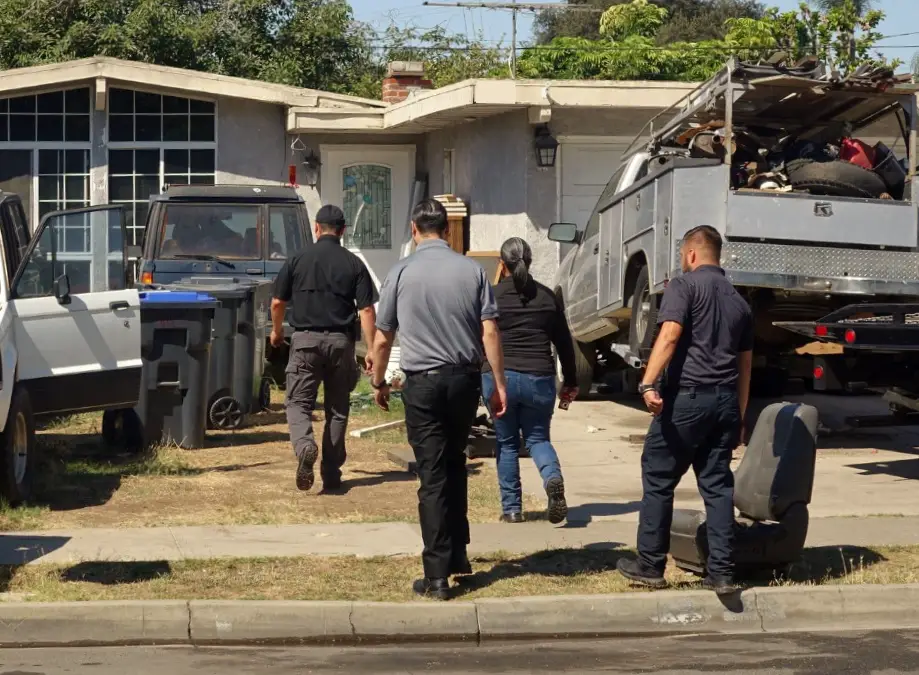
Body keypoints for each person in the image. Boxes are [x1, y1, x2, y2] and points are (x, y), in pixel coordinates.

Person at [370, 199, 508, 601]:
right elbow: (490, 331)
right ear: (447, 230)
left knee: (432, 476)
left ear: (415, 230)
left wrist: (378, 381)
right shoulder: (472, 270)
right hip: (463, 380)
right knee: (455, 464)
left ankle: (436, 575)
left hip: (423, 383)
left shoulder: (401, 272)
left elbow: (383, 336)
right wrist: (498, 383)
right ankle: (458, 554)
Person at [616, 225, 753, 596]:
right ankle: (722, 573)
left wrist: (647, 382)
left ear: (692, 253)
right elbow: (745, 366)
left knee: (659, 476)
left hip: (688, 400)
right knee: (718, 486)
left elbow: (670, 334)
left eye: (682, 255)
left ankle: (650, 564)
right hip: (725, 402)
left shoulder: (683, 286)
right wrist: (740, 416)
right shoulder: (740, 301)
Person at [271, 204, 378, 493]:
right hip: (341, 344)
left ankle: (305, 445)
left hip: (305, 341)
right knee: (337, 409)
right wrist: (371, 349)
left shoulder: (297, 259)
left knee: (297, 403)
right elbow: (367, 310)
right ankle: (331, 474)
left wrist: (277, 331)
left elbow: (278, 303)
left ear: (316, 228)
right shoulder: (354, 264)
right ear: (343, 231)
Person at [482, 237, 578, 525]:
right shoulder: (547, 297)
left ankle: (512, 510)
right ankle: (552, 477)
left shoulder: (491, 296)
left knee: (507, 443)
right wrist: (571, 381)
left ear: (502, 264)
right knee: (538, 439)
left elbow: (481, 338)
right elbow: (565, 344)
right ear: (531, 261)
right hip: (540, 378)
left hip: (500, 378)